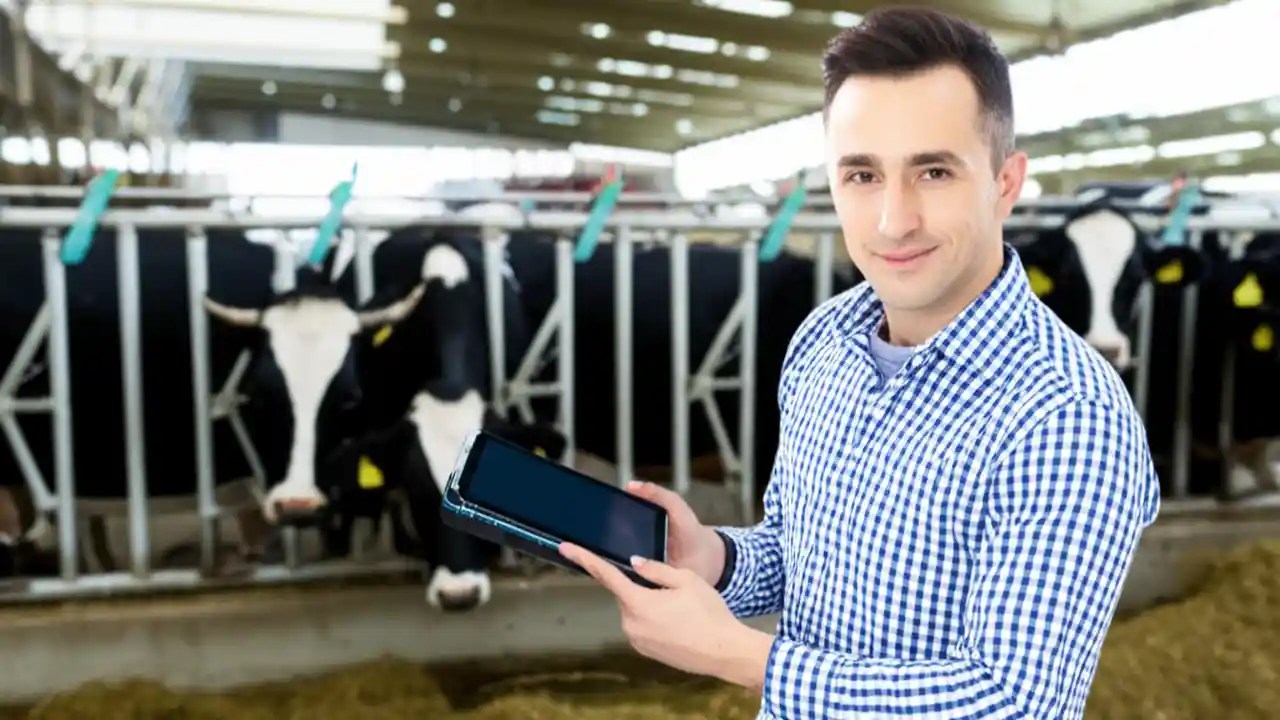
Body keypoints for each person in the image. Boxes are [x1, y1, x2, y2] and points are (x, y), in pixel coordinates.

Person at [559, 6, 1160, 719]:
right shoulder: (824, 341)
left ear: (1005, 183)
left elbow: (1010, 702)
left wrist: (739, 655)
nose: (892, 220)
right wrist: (715, 559)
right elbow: (797, 550)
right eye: (862, 174)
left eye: (933, 171)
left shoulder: (1065, 414)